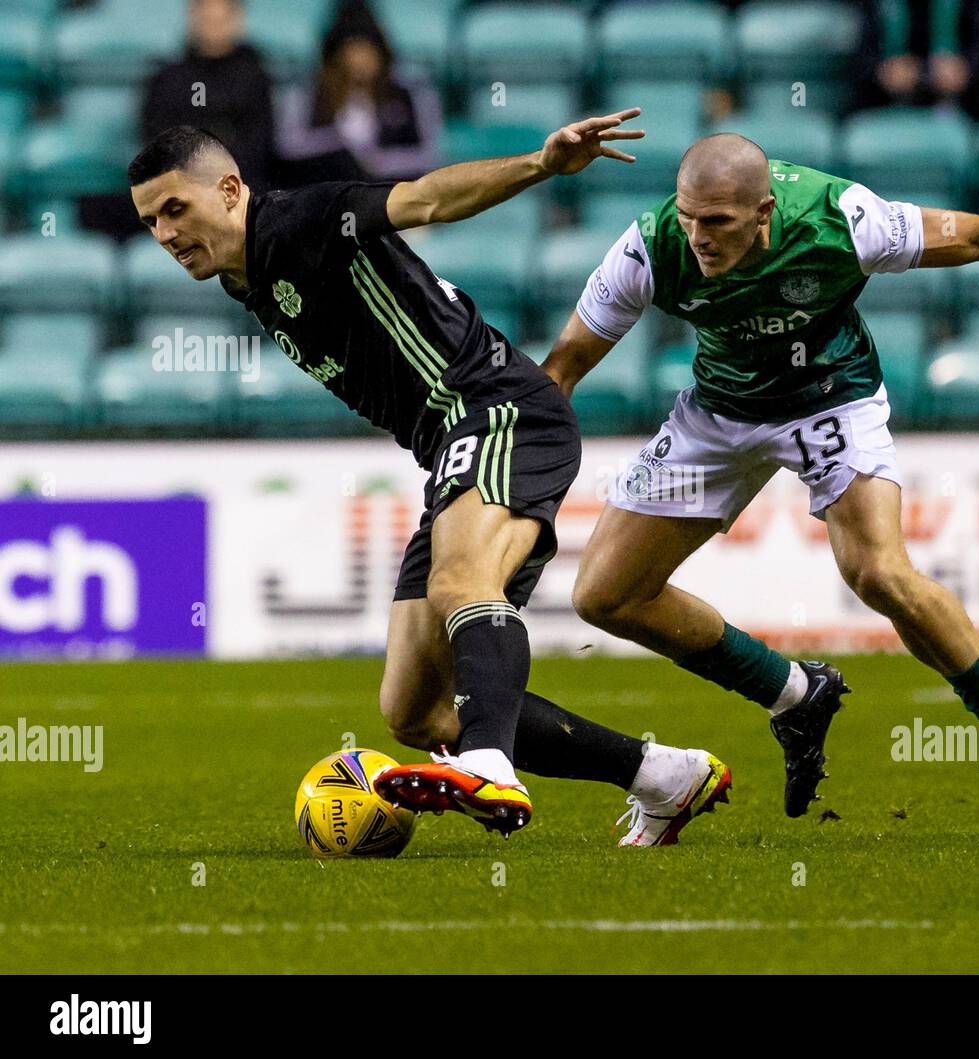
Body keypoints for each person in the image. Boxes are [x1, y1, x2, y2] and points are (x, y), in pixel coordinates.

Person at [542, 132, 979, 837]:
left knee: (878, 572)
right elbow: (564, 367)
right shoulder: (648, 246)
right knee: (605, 594)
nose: (697, 236)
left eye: (718, 222)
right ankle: (794, 693)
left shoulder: (841, 218)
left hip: (830, 400)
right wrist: (520, 486)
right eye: (689, 216)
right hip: (718, 414)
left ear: (764, 213)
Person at [125, 116, 731, 847]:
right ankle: (664, 776)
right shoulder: (240, 274)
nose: (163, 233)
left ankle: (491, 766)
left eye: (174, 209)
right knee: (415, 709)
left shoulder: (303, 219)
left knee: (458, 583)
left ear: (228, 189)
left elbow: (426, 199)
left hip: (499, 408)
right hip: (449, 445)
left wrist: (541, 163)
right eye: (151, 221)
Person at [276, 0, 442, 185]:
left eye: (366, 52)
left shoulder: (408, 94)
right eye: (352, 52)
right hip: (330, 196)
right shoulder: (307, 94)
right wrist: (340, 149)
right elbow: (288, 147)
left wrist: (377, 162)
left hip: (389, 195)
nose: (359, 62)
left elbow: (429, 155)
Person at [141, 0, 275, 194]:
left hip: (241, 184)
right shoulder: (167, 79)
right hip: (179, 186)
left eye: (220, 20)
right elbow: (155, 141)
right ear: (192, 18)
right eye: (207, 20)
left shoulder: (255, 78)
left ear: (237, 21)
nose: (213, 29)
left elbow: (260, 145)